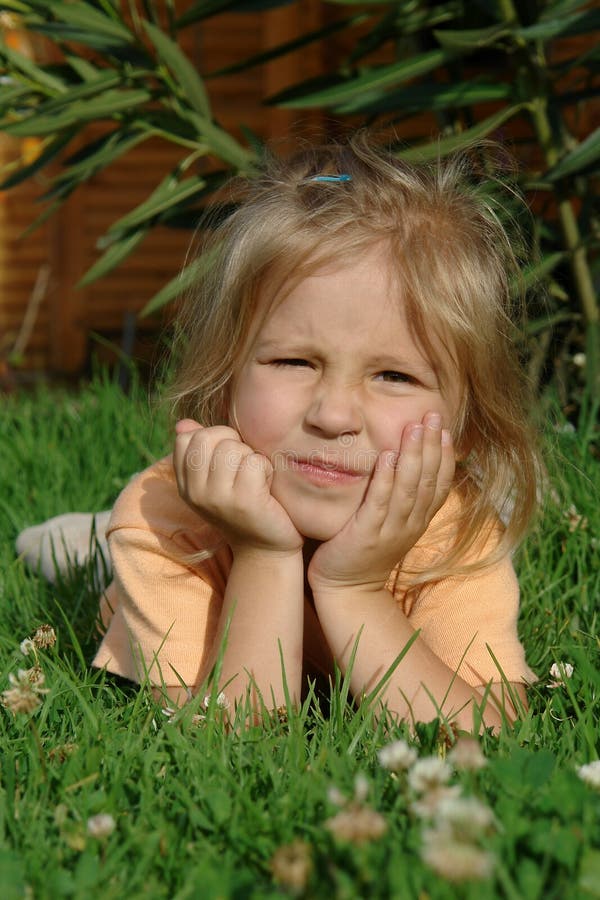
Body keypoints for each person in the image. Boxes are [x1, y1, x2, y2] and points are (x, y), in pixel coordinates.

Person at [18, 133, 540, 730]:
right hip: (181, 546)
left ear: (466, 428)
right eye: (294, 362)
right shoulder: (169, 524)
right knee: (100, 551)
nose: (334, 416)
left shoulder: (452, 532)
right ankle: (87, 547)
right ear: (223, 385)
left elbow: (487, 730)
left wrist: (355, 587)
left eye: (394, 375)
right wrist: (265, 552)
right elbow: (232, 742)